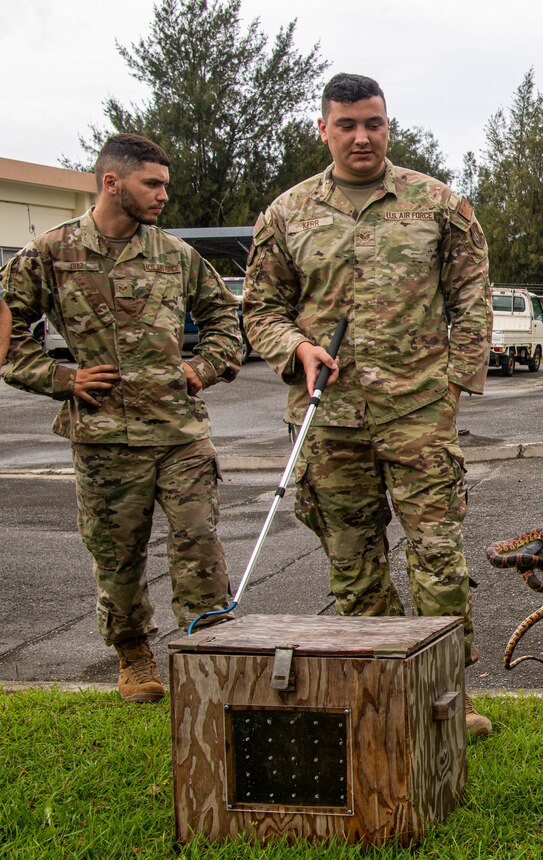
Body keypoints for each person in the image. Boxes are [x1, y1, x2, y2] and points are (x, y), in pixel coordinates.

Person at [242, 73, 494, 737]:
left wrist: (454, 385)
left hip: (417, 413)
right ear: (322, 129)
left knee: (438, 559)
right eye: (348, 124)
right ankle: (383, 686)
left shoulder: (439, 205)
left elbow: (471, 295)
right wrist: (295, 347)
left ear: (389, 126)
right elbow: (261, 307)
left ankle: (449, 695)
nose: (362, 136)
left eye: (374, 123)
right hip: (329, 419)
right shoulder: (287, 214)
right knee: (354, 566)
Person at [0, 133, 242, 703]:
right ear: (112, 182)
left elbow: (226, 321)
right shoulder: (49, 254)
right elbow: (7, 338)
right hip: (104, 439)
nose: (163, 196)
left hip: (180, 434)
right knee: (116, 557)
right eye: (152, 184)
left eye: (165, 185)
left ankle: (207, 655)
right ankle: (134, 655)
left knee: (199, 548)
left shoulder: (176, 256)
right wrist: (61, 378)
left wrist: (202, 368)